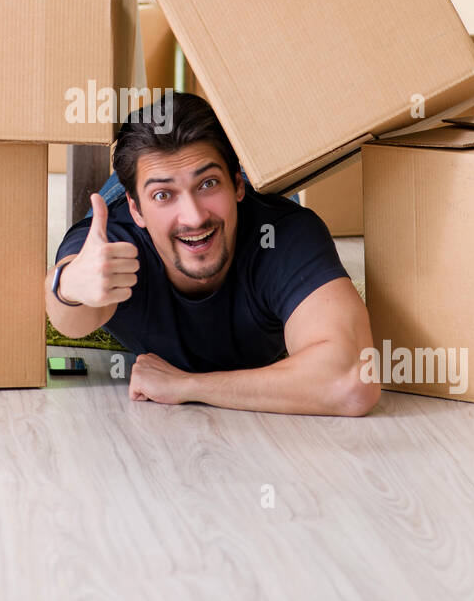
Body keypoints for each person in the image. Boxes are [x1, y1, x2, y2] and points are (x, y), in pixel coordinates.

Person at [46, 93, 377, 415]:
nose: (194, 216)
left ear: (235, 184)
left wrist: (188, 386)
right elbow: (65, 314)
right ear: (137, 210)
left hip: (250, 197)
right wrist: (71, 285)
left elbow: (352, 381)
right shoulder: (118, 242)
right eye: (164, 195)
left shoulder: (280, 235)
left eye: (207, 185)